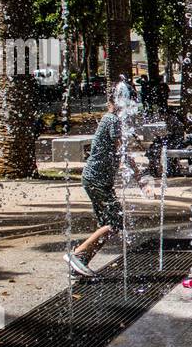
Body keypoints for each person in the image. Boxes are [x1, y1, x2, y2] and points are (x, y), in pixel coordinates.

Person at [65, 86, 154, 279]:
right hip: (96, 179)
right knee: (114, 222)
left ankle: (80, 262)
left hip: (97, 179)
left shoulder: (111, 120)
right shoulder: (112, 120)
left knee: (109, 223)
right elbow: (123, 153)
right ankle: (78, 254)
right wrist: (141, 181)